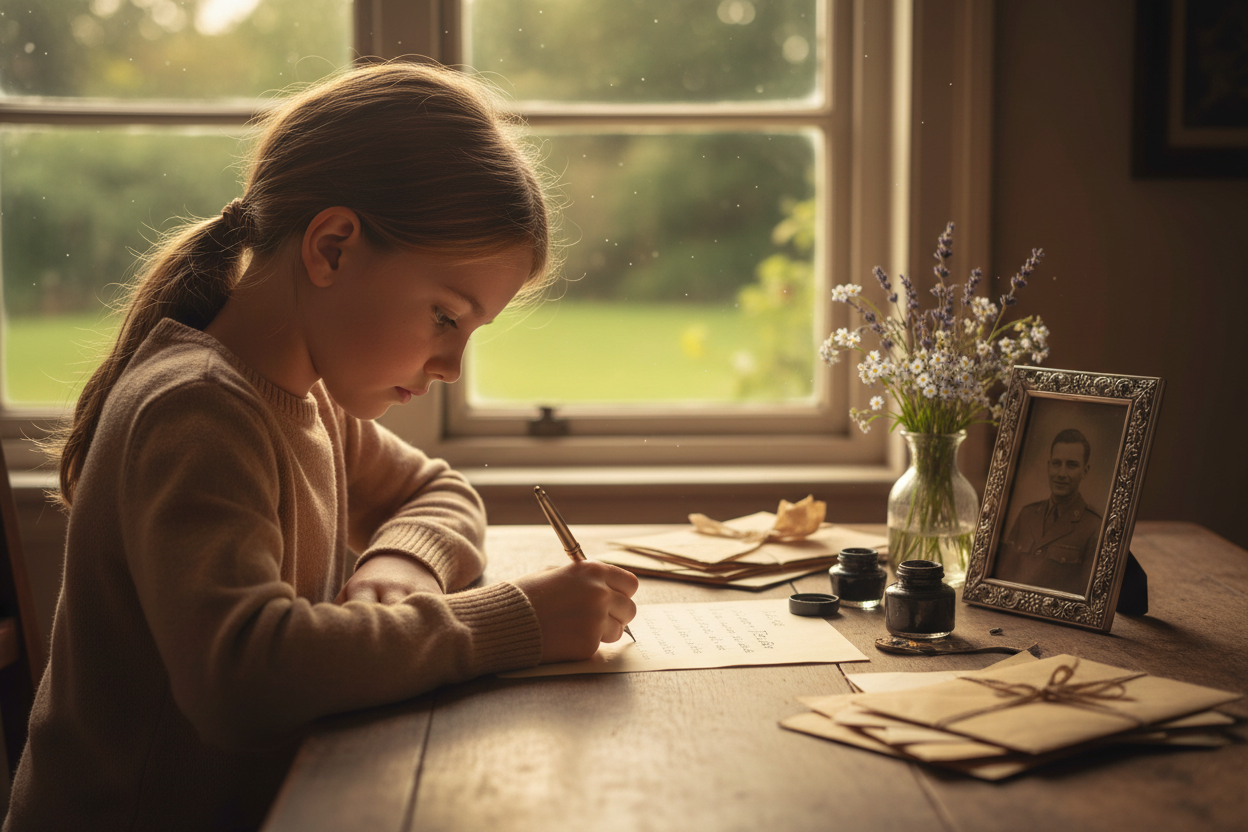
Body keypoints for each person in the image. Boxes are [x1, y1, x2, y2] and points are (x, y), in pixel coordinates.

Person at [4, 62, 638, 832]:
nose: (451, 367)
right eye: (446, 317)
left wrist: (398, 564)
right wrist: (512, 622)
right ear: (332, 248)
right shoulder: (197, 410)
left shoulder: (307, 399)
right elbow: (240, 679)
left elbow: (440, 492)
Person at [995, 428, 1102, 595]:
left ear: (1085, 471)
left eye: (1071, 465)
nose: (1061, 473)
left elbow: (1087, 596)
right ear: (1048, 466)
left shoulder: (1094, 527)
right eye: (1056, 463)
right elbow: (1005, 575)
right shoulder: (1027, 514)